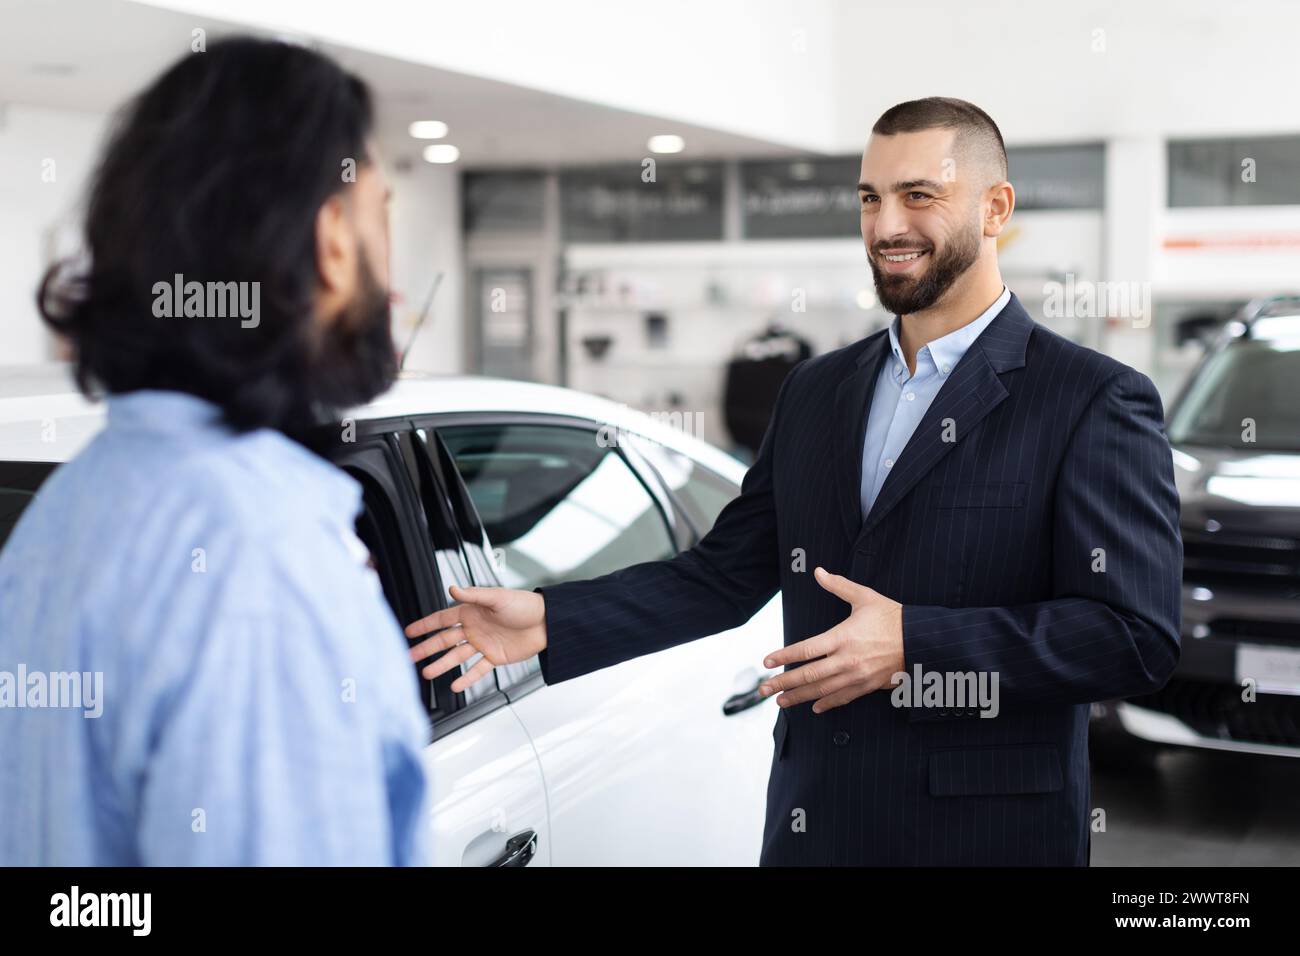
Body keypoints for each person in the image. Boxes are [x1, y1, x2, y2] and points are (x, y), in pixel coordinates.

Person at [405, 97, 1182, 866]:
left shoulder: (1090, 398)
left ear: (994, 209)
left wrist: (914, 645)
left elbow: (1134, 638)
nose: (886, 227)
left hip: (986, 837)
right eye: (870, 198)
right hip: (817, 823)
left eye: (920, 196)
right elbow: (722, 576)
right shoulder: (815, 391)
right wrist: (549, 619)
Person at [0, 38, 430, 865]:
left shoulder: (61, 515)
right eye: (383, 213)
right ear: (333, 236)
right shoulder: (260, 560)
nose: (394, 276)